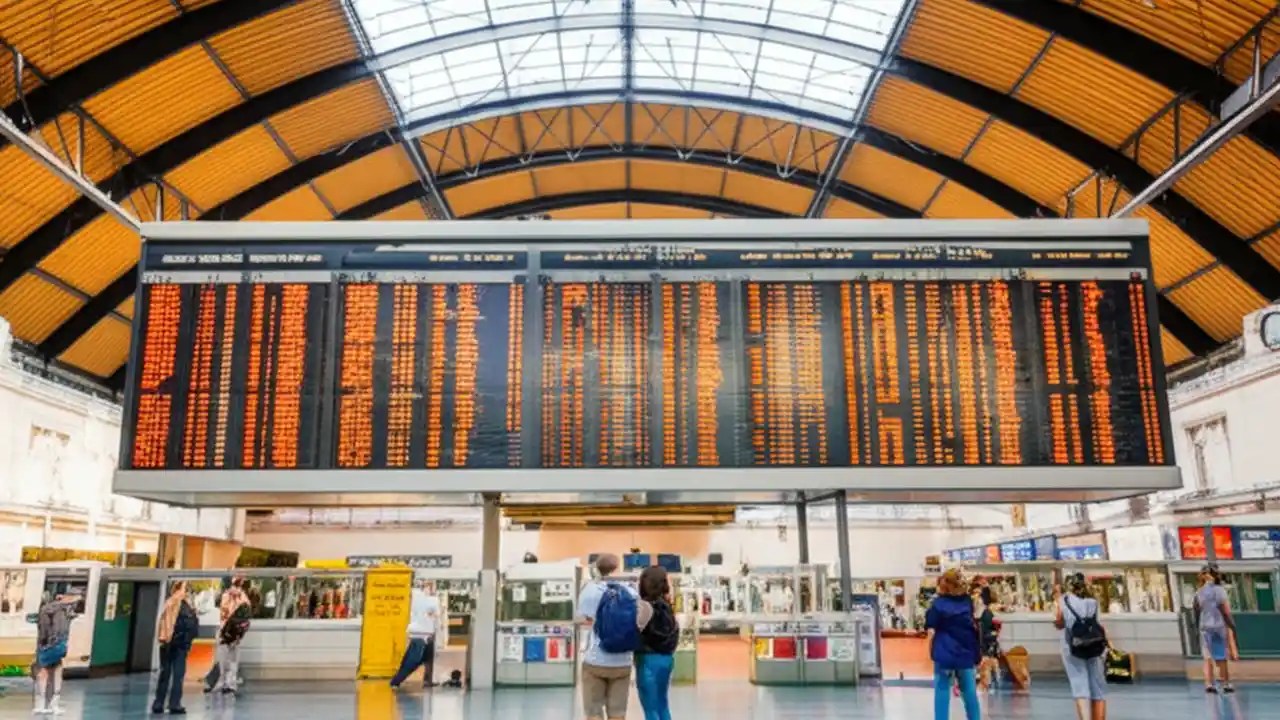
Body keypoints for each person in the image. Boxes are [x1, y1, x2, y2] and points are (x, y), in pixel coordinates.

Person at [577, 554, 640, 720]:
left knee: (593, 712)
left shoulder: (590, 590)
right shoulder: (631, 591)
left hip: (595, 661)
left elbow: (581, 618)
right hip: (623, 662)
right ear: (617, 568)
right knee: (618, 713)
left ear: (597, 569)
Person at [925, 568, 981, 720]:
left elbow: (930, 622)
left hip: (944, 652)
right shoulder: (967, 601)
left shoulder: (939, 603)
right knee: (969, 691)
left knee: (942, 690)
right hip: (965, 650)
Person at [1054, 574, 1107, 720]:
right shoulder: (1093, 601)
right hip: (1095, 645)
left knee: (1079, 685)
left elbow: (1059, 623)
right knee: (1098, 688)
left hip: (1073, 647)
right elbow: (1098, 623)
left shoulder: (1063, 600)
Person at [635, 566, 679, 720]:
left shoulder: (644, 606)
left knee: (650, 709)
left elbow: (635, 630)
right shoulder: (667, 607)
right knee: (662, 704)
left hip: (647, 660)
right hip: (666, 659)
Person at [153, 582, 198, 715]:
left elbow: (162, 622)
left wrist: (163, 639)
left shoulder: (168, 602)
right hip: (180, 645)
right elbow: (191, 626)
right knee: (178, 674)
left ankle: (158, 703)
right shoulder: (185, 605)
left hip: (166, 643)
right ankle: (175, 704)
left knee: (164, 674)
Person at [390, 578, 441, 690]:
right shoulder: (431, 600)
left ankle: (429, 680)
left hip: (421, 633)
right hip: (422, 634)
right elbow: (436, 614)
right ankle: (396, 681)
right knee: (414, 659)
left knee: (426, 658)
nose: (433, 589)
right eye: (431, 586)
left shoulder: (417, 598)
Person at [1194, 565, 1237, 693]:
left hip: (1205, 627)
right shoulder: (1220, 590)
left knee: (1207, 656)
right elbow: (1226, 610)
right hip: (1218, 626)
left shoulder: (1199, 592)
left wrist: (1198, 625)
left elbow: (1196, 610)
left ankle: (1209, 684)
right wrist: (1232, 626)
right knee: (1221, 656)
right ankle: (1225, 683)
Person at [33, 590, 74, 715]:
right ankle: (54, 705)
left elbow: (43, 630)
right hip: (57, 647)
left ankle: (40, 705)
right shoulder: (63, 611)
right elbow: (63, 631)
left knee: (42, 674)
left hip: (45, 647)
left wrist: (43, 644)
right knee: (56, 674)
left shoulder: (45, 610)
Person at [209, 578, 251, 695]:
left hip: (226, 631)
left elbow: (223, 611)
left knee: (224, 658)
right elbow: (247, 611)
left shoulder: (228, 595)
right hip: (235, 633)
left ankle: (223, 682)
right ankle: (229, 683)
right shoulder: (241, 597)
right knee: (232, 659)